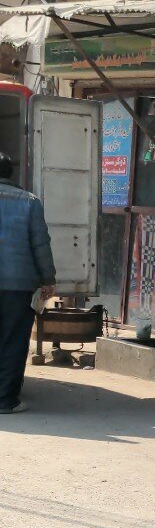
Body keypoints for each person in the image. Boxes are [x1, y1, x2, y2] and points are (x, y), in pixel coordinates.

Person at [0, 153, 56, 414]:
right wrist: (48, 279)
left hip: (18, 284)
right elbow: (40, 244)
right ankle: (5, 400)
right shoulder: (29, 202)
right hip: (18, 285)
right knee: (13, 341)